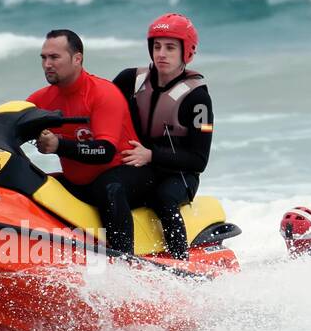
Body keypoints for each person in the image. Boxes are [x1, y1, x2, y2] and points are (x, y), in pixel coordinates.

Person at [28, 29, 153, 255]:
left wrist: (59, 145)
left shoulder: (103, 93)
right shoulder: (41, 99)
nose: (47, 64)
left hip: (128, 173)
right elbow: (9, 121)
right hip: (81, 182)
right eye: (44, 58)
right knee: (33, 185)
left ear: (78, 58)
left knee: (109, 189)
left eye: (54, 57)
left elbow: (105, 151)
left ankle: (125, 264)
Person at [112, 13, 214, 260]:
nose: (161, 54)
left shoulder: (198, 99)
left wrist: (151, 155)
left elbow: (199, 160)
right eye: (156, 47)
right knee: (112, 189)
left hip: (180, 174)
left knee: (164, 199)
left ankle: (181, 262)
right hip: (141, 166)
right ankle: (118, 256)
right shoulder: (130, 80)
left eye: (170, 48)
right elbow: (99, 104)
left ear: (186, 52)